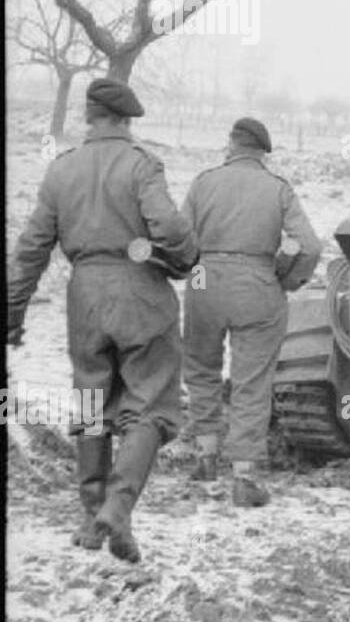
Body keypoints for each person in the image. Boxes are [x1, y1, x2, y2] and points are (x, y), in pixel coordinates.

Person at [6, 78, 197, 563]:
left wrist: (13, 311)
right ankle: (118, 506)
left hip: (83, 295)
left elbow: (30, 249)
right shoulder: (140, 165)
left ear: (89, 118)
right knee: (150, 406)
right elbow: (171, 229)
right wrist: (185, 256)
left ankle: (94, 515)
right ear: (126, 120)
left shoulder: (60, 171)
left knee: (91, 403)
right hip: (139, 291)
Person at [182, 117, 322, 506]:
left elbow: (180, 239)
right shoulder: (278, 189)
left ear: (231, 145)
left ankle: (205, 455)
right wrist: (287, 279)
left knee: (201, 370)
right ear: (263, 153)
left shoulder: (203, 182)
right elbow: (309, 246)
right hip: (259, 286)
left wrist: (196, 268)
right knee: (251, 381)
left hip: (203, 282)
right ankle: (243, 475)